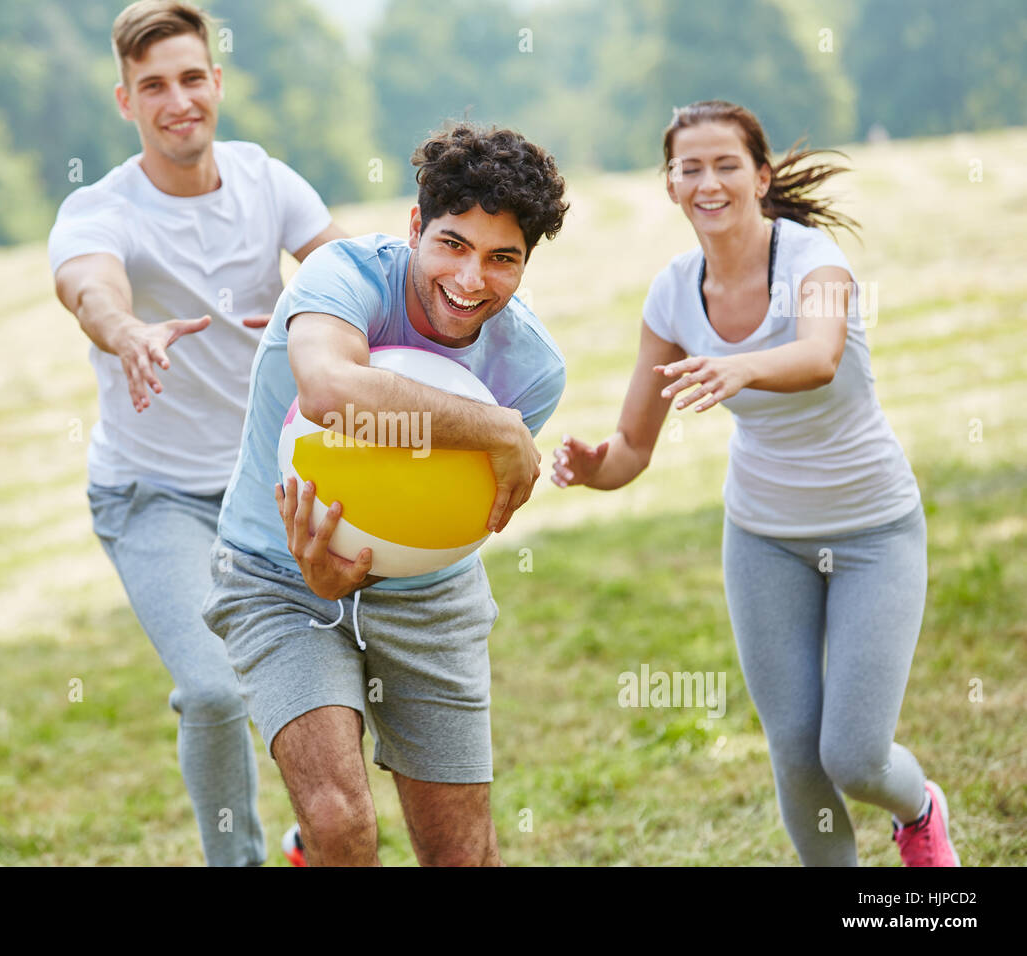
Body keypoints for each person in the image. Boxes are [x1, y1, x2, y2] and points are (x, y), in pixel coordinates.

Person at [551, 100, 958, 867]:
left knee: (855, 756)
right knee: (798, 755)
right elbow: (633, 446)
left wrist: (738, 364)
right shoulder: (672, 293)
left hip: (873, 528)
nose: (708, 181)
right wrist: (589, 467)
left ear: (761, 176)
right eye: (689, 167)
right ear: (670, 185)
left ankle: (919, 809)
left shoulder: (817, 263)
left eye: (726, 164)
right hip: (765, 539)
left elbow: (820, 355)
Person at [201, 124, 569, 866]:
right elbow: (331, 390)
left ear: (527, 263)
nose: (471, 281)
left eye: (504, 259)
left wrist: (363, 569)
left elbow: (446, 516)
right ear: (414, 227)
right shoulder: (343, 278)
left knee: (462, 854)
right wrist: (491, 427)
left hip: (428, 594)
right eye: (453, 245)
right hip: (278, 579)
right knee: (340, 823)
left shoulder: (532, 371)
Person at [48, 0, 344, 866]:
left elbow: (344, 265)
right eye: (152, 86)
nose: (176, 100)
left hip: (266, 483)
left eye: (189, 78)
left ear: (216, 82)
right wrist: (128, 330)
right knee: (215, 690)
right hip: (153, 497)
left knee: (350, 674)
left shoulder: (267, 181)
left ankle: (311, 838)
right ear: (125, 102)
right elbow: (89, 286)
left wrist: (322, 309)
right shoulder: (102, 208)